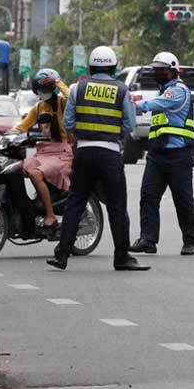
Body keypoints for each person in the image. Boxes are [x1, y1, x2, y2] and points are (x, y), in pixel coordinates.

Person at [47, 46, 149, 272]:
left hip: (84, 152)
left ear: (91, 67)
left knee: (75, 203)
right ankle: (121, 257)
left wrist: (85, 133)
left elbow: (68, 122)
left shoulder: (77, 88)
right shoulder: (121, 90)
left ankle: (62, 254)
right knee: (117, 207)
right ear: (113, 68)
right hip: (109, 153)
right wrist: (112, 133)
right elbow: (130, 124)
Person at [129, 52, 194, 256]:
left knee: (183, 199)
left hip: (179, 155)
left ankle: (190, 241)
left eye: (161, 70)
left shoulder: (177, 91)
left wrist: (131, 104)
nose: (157, 73)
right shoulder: (164, 90)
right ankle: (148, 240)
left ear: (173, 71)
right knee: (148, 197)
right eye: (156, 70)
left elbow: (155, 105)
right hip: (157, 155)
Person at [13, 69, 73, 230]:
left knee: (35, 174)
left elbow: (70, 97)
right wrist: (5, 136)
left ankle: (50, 215)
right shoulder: (39, 107)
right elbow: (21, 127)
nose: (43, 91)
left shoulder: (63, 103)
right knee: (15, 169)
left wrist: (57, 81)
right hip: (43, 152)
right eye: (41, 88)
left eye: (47, 87)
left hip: (62, 152)